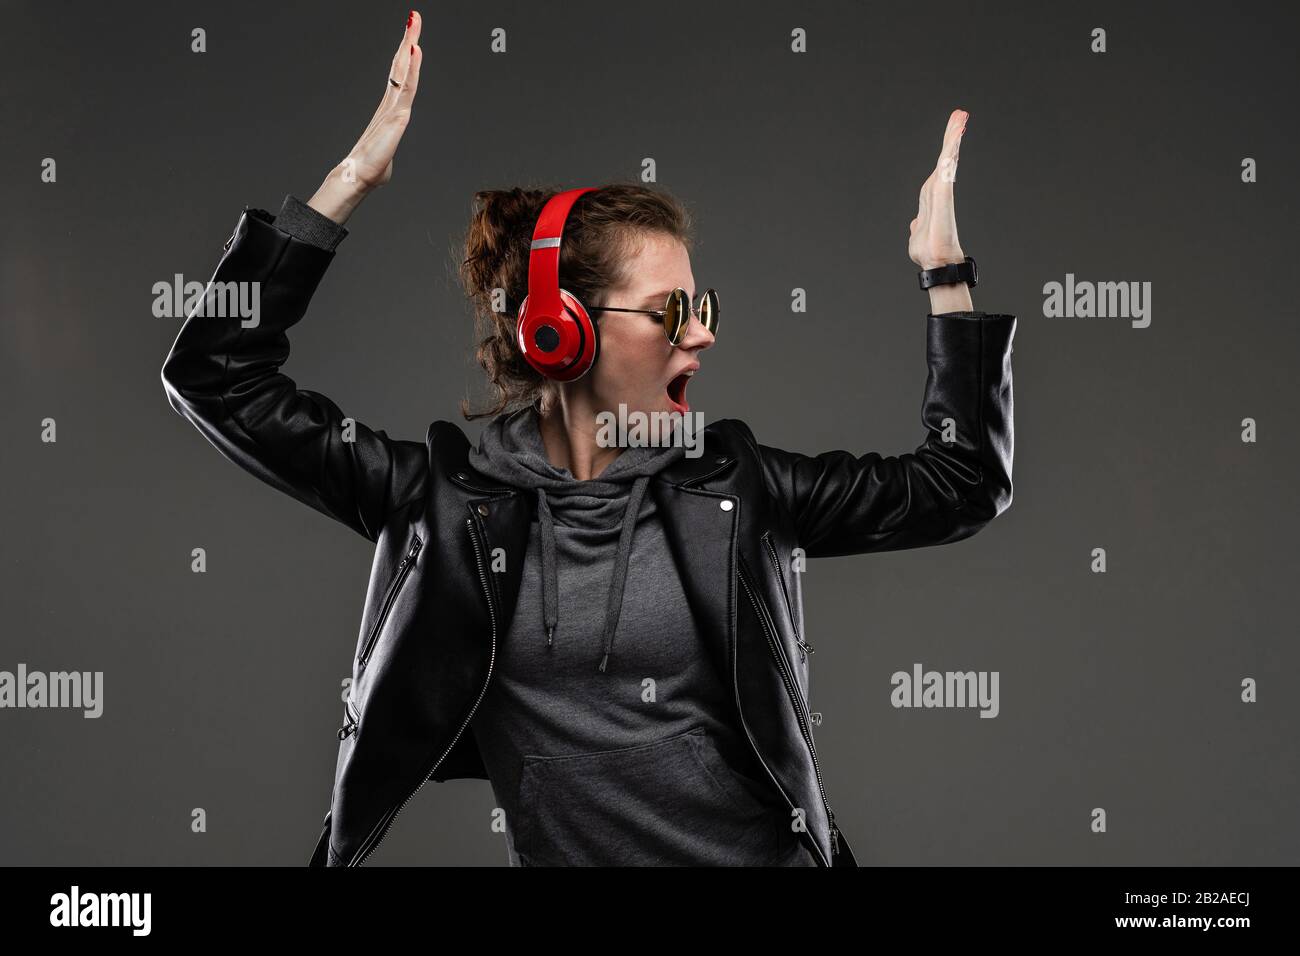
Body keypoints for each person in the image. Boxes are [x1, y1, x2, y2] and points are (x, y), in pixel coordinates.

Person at [160, 10, 1015, 867]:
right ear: (557, 333)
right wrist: (348, 182)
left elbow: (962, 482)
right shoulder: (443, 507)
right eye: (670, 312)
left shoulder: (737, 488)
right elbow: (217, 377)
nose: (704, 334)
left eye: (703, 306)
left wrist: (945, 274)